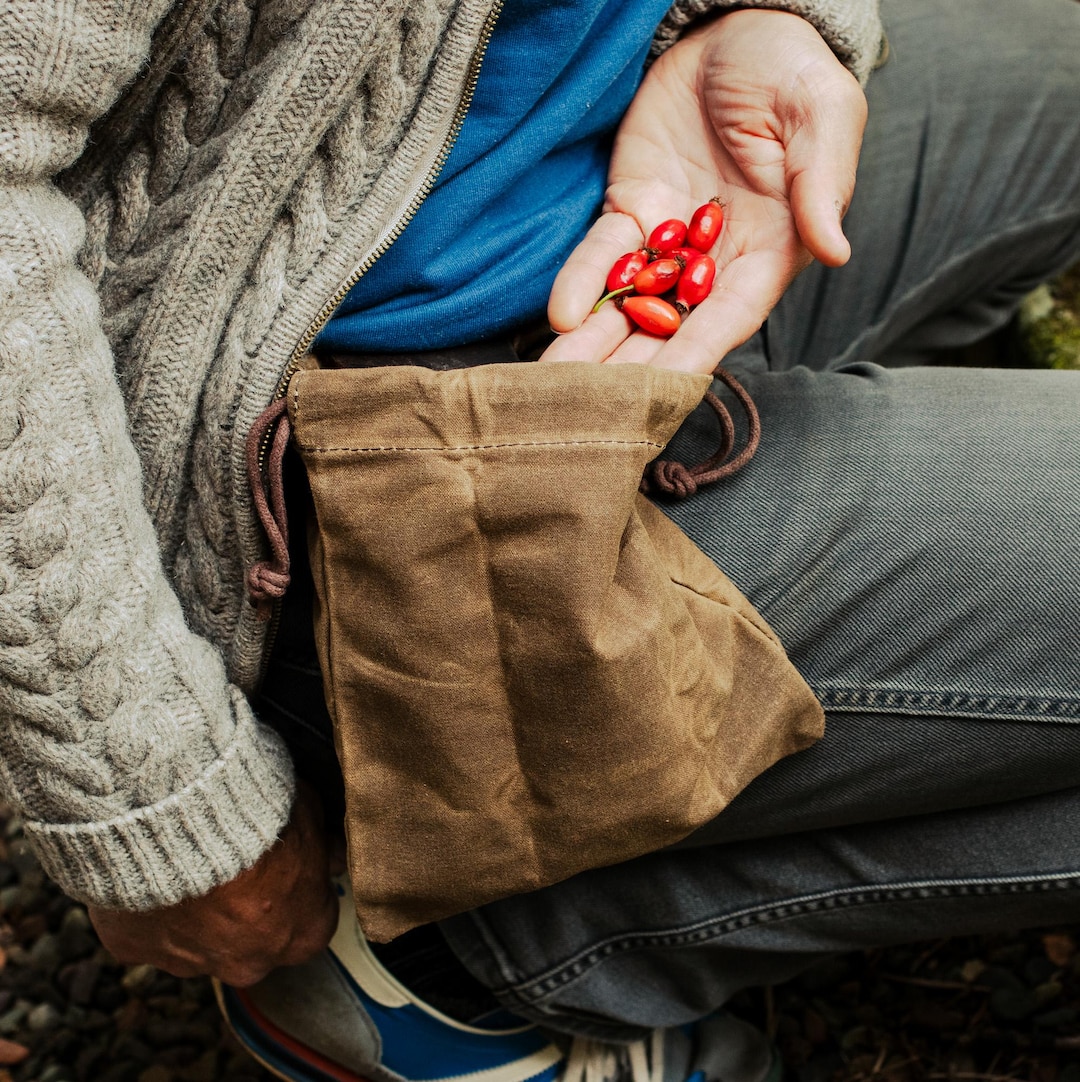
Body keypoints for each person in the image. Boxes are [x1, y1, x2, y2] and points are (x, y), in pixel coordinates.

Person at [1, 0, 1078, 1079]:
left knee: (1056, 69)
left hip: (612, 191)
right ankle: (458, 937)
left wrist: (760, 15)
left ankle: (851, 689)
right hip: (311, 467)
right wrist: (156, 800)